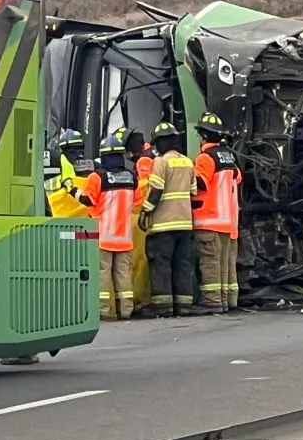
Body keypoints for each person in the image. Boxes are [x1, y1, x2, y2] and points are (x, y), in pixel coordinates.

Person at [138, 121, 205, 318]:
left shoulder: (160, 162)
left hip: (164, 225)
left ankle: (163, 307)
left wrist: (144, 212)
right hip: (185, 224)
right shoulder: (187, 162)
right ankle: (184, 305)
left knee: (161, 265)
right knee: (183, 264)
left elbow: (155, 191)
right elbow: (193, 191)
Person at [70, 135, 140, 320]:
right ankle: (126, 309)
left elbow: (87, 200)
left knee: (103, 273)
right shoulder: (131, 177)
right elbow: (137, 202)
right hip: (124, 237)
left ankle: (104, 310)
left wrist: (72, 190)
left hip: (103, 236)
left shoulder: (97, 177)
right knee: (123, 274)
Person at [192, 112, 243, 312]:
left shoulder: (205, 158)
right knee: (226, 264)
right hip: (229, 222)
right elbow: (238, 179)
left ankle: (213, 301)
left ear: (204, 136)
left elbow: (200, 183)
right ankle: (229, 300)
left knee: (210, 263)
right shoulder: (230, 157)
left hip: (209, 220)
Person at [117, 128, 155, 313]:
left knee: (139, 259)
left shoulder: (144, 160)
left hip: (144, 215)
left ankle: (141, 298)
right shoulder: (151, 154)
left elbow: (146, 186)